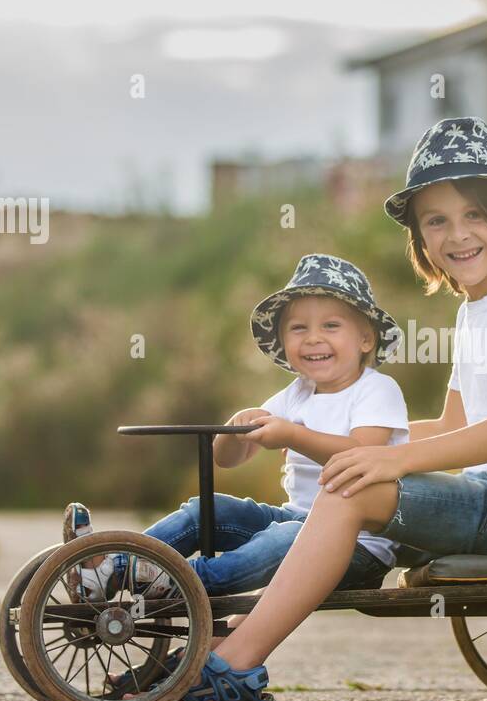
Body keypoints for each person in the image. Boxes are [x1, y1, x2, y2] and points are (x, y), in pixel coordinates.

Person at [148, 115, 487, 701]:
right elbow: (454, 425)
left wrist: (382, 461)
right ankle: (198, 624)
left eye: (476, 215)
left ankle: (233, 666)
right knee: (350, 472)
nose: (458, 235)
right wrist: (364, 442)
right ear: (420, 236)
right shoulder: (481, 308)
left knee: (351, 486)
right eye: (437, 221)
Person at [60, 254, 408, 609]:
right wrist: (235, 429)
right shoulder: (297, 392)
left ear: (366, 339)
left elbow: (364, 453)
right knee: (207, 511)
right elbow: (226, 460)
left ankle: (181, 578)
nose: (313, 339)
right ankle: (112, 566)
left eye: (331, 326)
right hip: (298, 521)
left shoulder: (376, 390)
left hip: (357, 545)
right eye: (299, 328)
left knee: (285, 538)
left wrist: (291, 436)